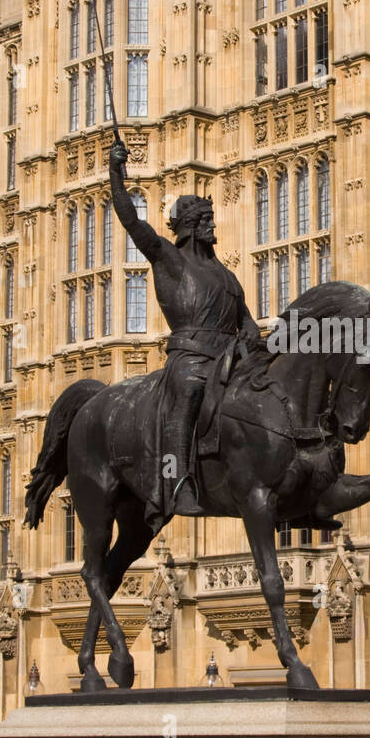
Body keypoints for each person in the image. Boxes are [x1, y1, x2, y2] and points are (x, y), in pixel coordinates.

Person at [108, 140, 261, 516]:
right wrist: (115, 174)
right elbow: (131, 220)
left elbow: (249, 325)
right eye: (207, 221)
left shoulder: (224, 275)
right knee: (190, 394)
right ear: (191, 226)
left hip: (227, 362)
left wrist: (257, 346)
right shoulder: (169, 258)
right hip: (190, 360)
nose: (213, 227)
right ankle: (175, 481)